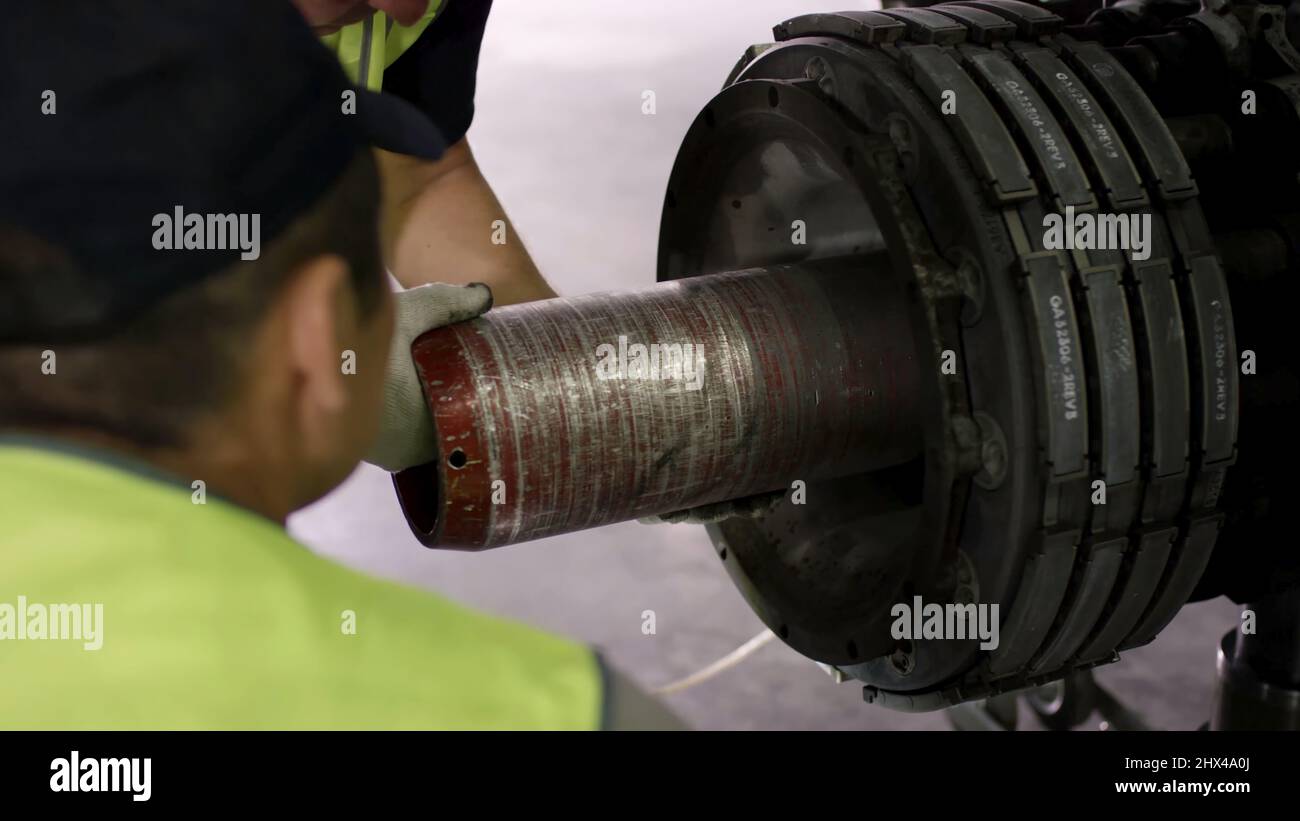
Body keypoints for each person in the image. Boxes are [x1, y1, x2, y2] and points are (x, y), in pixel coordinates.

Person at [0, 0, 683, 730]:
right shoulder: (562, 712)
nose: (409, 8)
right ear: (316, 336)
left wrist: (581, 393)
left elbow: (420, 177)